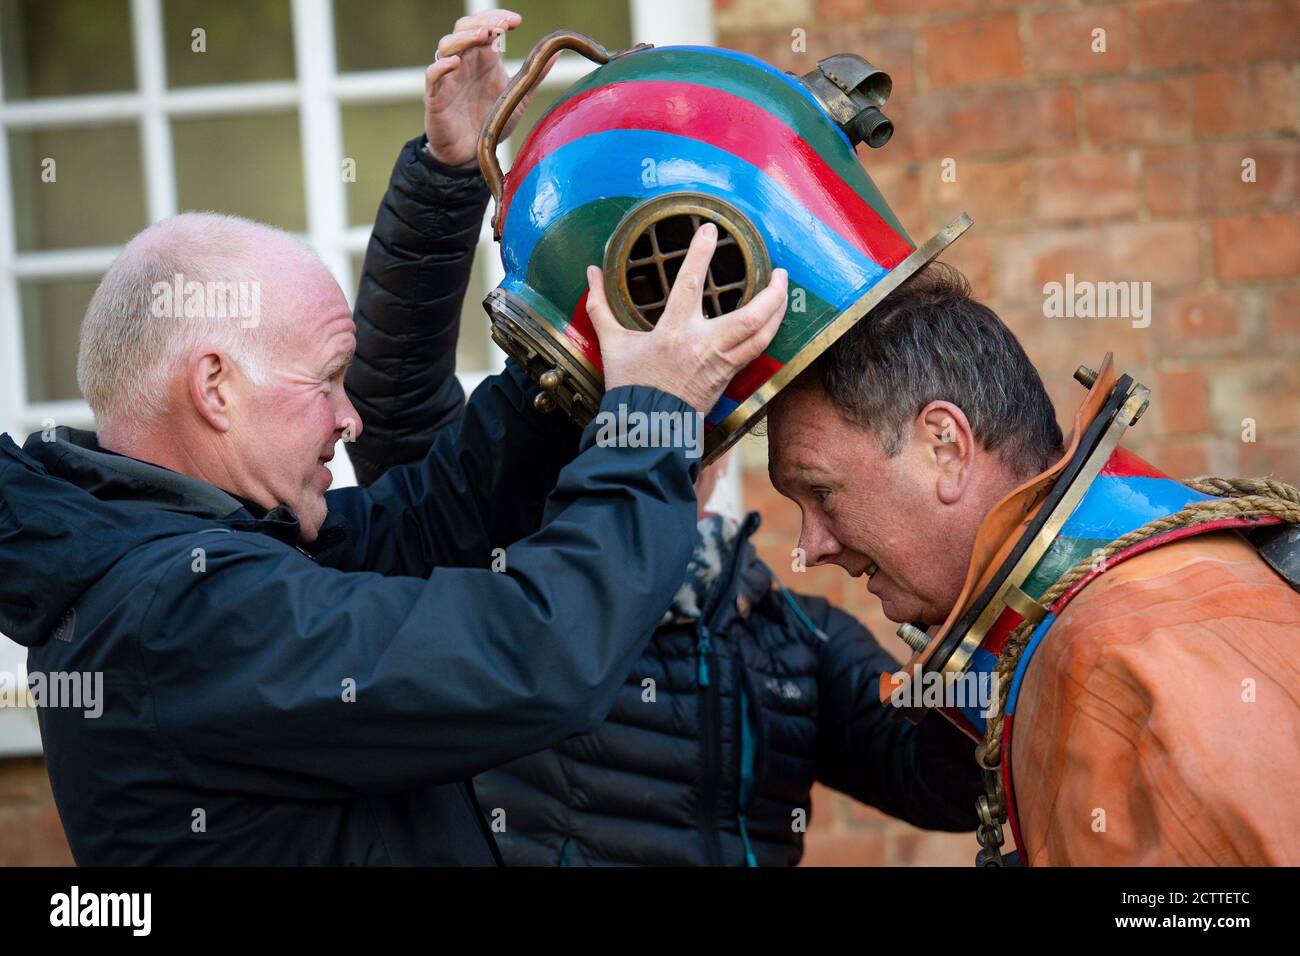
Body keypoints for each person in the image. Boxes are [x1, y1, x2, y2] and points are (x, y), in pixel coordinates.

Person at [0, 60, 791, 862]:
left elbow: (432, 515)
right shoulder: (179, 617)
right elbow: (537, 658)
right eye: (327, 382)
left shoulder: (208, 557)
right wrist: (652, 416)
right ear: (216, 388)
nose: (350, 420)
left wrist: (572, 321)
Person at [342, 8, 983, 867]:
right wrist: (451, 172)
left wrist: (969, 591)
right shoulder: (510, 588)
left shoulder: (785, 636)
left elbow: (937, 778)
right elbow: (394, 405)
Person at [765, 262, 1300, 865]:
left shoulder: (1125, 643)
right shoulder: (1127, 613)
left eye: (822, 493)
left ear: (946, 445)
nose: (810, 548)